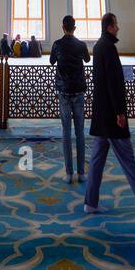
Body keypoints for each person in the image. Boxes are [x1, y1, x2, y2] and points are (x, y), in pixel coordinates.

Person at [84, 13, 135, 216]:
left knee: (97, 161)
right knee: (128, 160)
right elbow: (113, 83)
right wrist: (120, 112)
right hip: (111, 115)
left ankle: (90, 202)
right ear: (109, 27)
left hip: (100, 113)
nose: (118, 28)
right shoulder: (108, 48)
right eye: (116, 24)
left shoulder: (99, 46)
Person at [49, 15, 91, 183]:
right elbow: (87, 59)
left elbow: (52, 61)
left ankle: (68, 173)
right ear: (75, 28)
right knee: (80, 132)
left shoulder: (57, 45)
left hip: (64, 91)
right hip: (79, 91)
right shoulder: (81, 45)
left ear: (62, 27)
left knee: (66, 132)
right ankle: (81, 173)